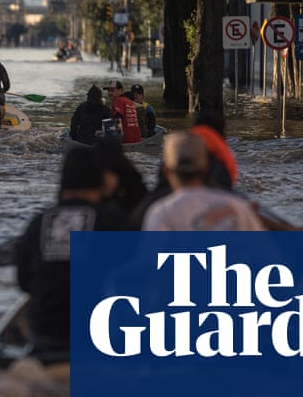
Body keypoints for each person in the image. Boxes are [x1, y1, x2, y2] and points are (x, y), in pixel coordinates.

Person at [14, 146, 138, 366]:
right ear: (101, 180)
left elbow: (24, 282)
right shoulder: (112, 221)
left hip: (45, 333)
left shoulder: (39, 223)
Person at [142, 132, 265, 231]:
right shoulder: (238, 207)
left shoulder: (161, 212)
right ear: (207, 167)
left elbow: (151, 259)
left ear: (166, 170)